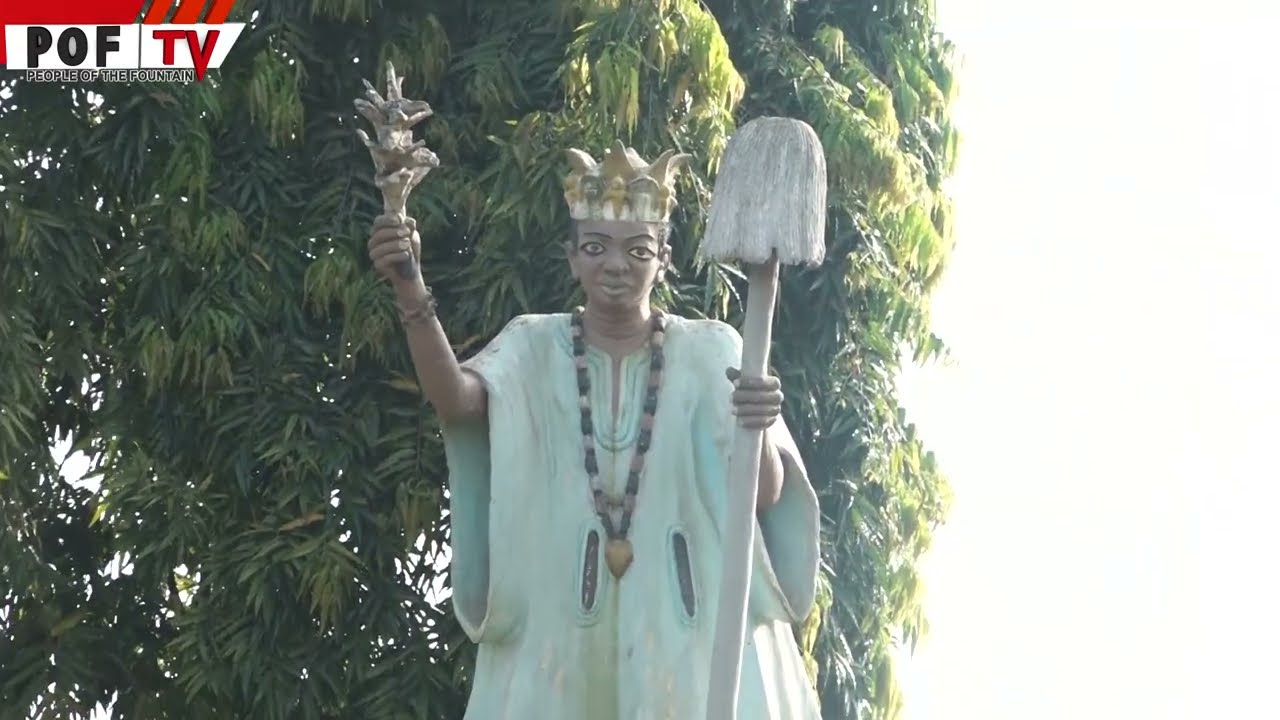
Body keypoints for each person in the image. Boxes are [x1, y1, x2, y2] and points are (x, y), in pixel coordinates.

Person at [367, 141, 822, 719]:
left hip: (685, 637)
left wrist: (756, 422)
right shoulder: (532, 344)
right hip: (559, 636)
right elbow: (456, 401)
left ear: (663, 258)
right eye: (595, 247)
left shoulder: (715, 352)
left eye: (638, 250)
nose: (616, 265)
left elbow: (761, 495)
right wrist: (409, 285)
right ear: (571, 258)